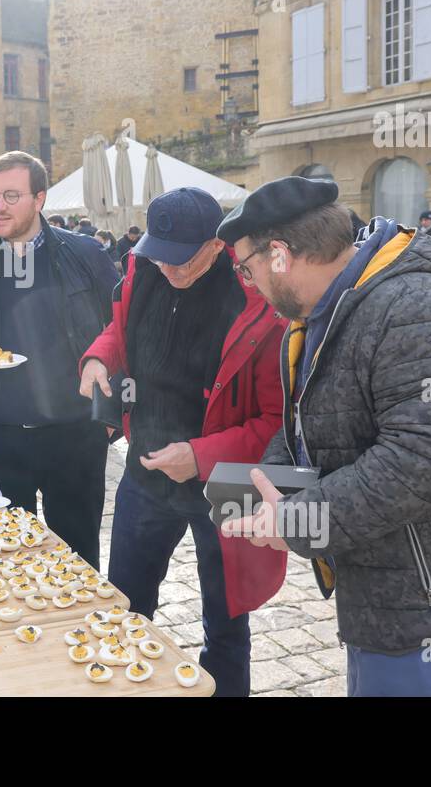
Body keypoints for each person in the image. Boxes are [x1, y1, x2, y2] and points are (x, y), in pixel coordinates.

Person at [218, 176, 431, 697]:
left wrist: (298, 518)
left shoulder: (414, 304)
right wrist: (269, 484)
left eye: (246, 267)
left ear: (280, 254)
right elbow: (307, 422)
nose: (247, 281)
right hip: (401, 590)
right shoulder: (331, 307)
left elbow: (424, 456)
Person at [78, 188, 288, 697]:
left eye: (183, 258)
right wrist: (97, 357)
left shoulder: (258, 306)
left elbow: (277, 422)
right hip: (146, 470)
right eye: (160, 254)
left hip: (227, 483)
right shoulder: (141, 270)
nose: (168, 268)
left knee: (226, 623)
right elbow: (119, 331)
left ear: (217, 247)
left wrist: (199, 455)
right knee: (124, 603)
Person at [0, 151, 118, 567]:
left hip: (73, 438)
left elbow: (121, 327)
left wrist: (114, 414)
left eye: (12, 196)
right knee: (5, 560)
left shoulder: (84, 255)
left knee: (76, 561)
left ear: (39, 200)